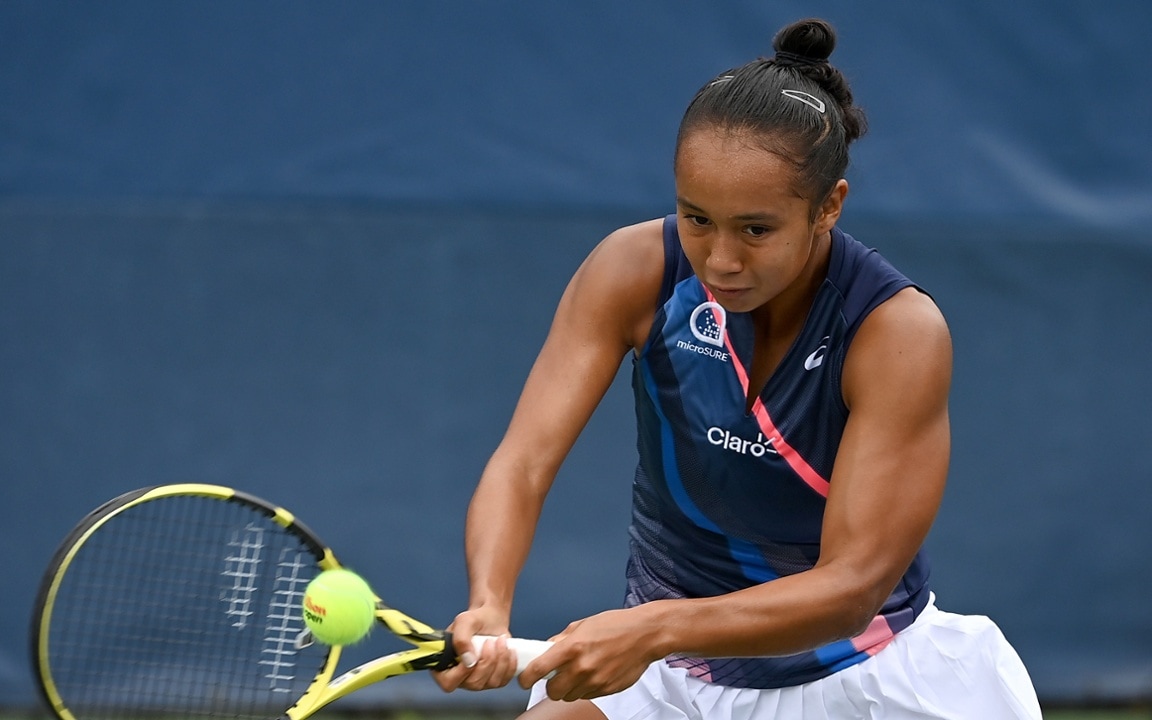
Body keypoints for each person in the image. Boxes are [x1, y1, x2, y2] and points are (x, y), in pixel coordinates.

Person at [433, 17, 1042, 720]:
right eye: (697, 219)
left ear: (829, 206)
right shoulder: (634, 271)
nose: (720, 260)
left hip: (862, 672)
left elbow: (851, 588)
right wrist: (490, 601)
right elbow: (523, 463)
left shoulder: (894, 333)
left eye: (756, 229)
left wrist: (655, 626)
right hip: (671, 673)